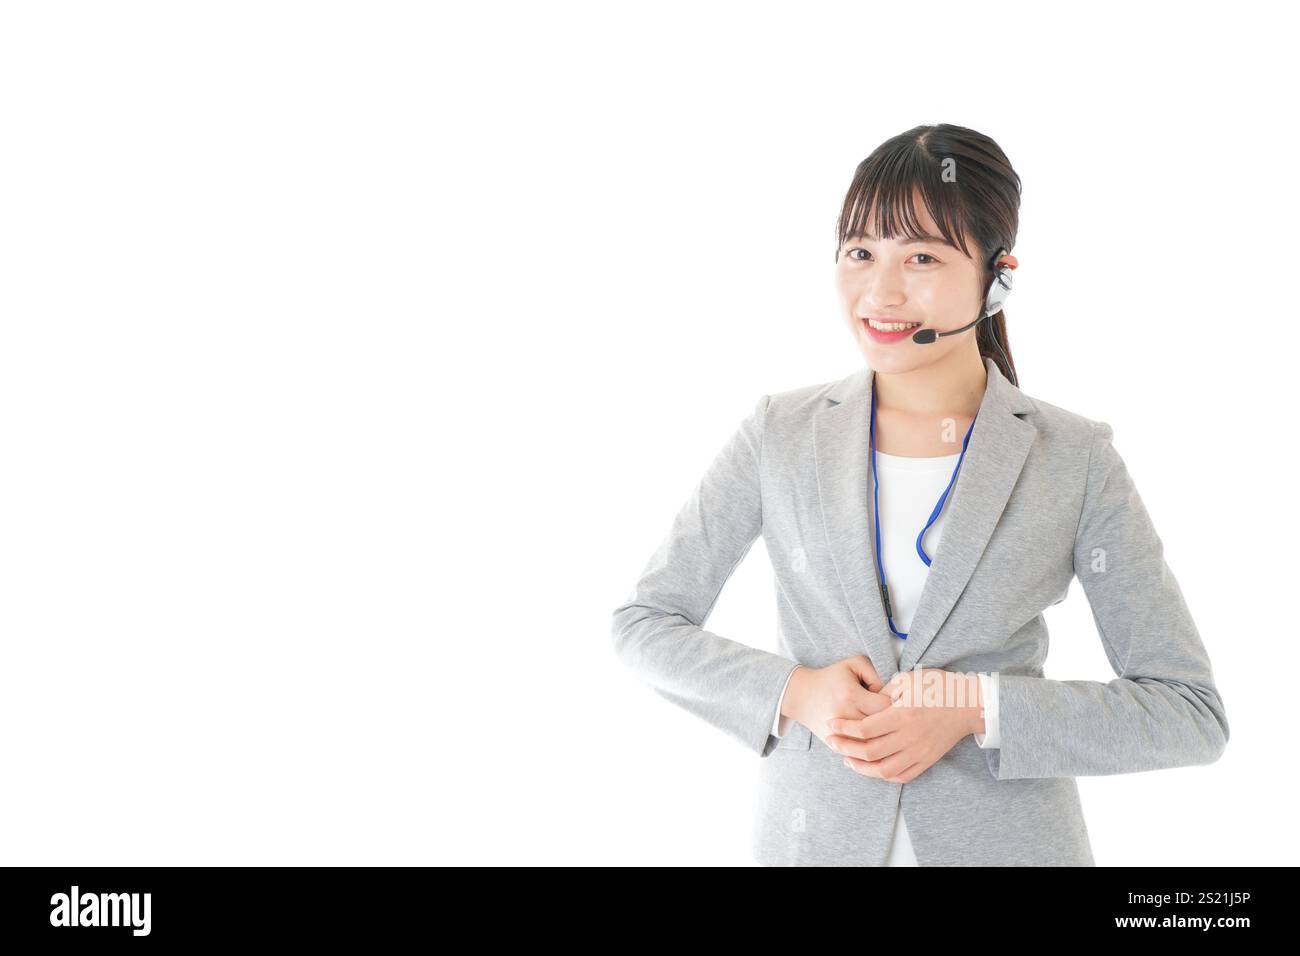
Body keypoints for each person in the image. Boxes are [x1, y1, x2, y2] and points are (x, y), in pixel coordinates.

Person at [610, 124, 1229, 866]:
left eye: (924, 257)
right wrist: (796, 691)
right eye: (861, 253)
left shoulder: (1075, 458)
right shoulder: (780, 433)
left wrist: (977, 711)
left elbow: (1188, 712)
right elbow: (644, 625)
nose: (882, 291)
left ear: (998, 277)